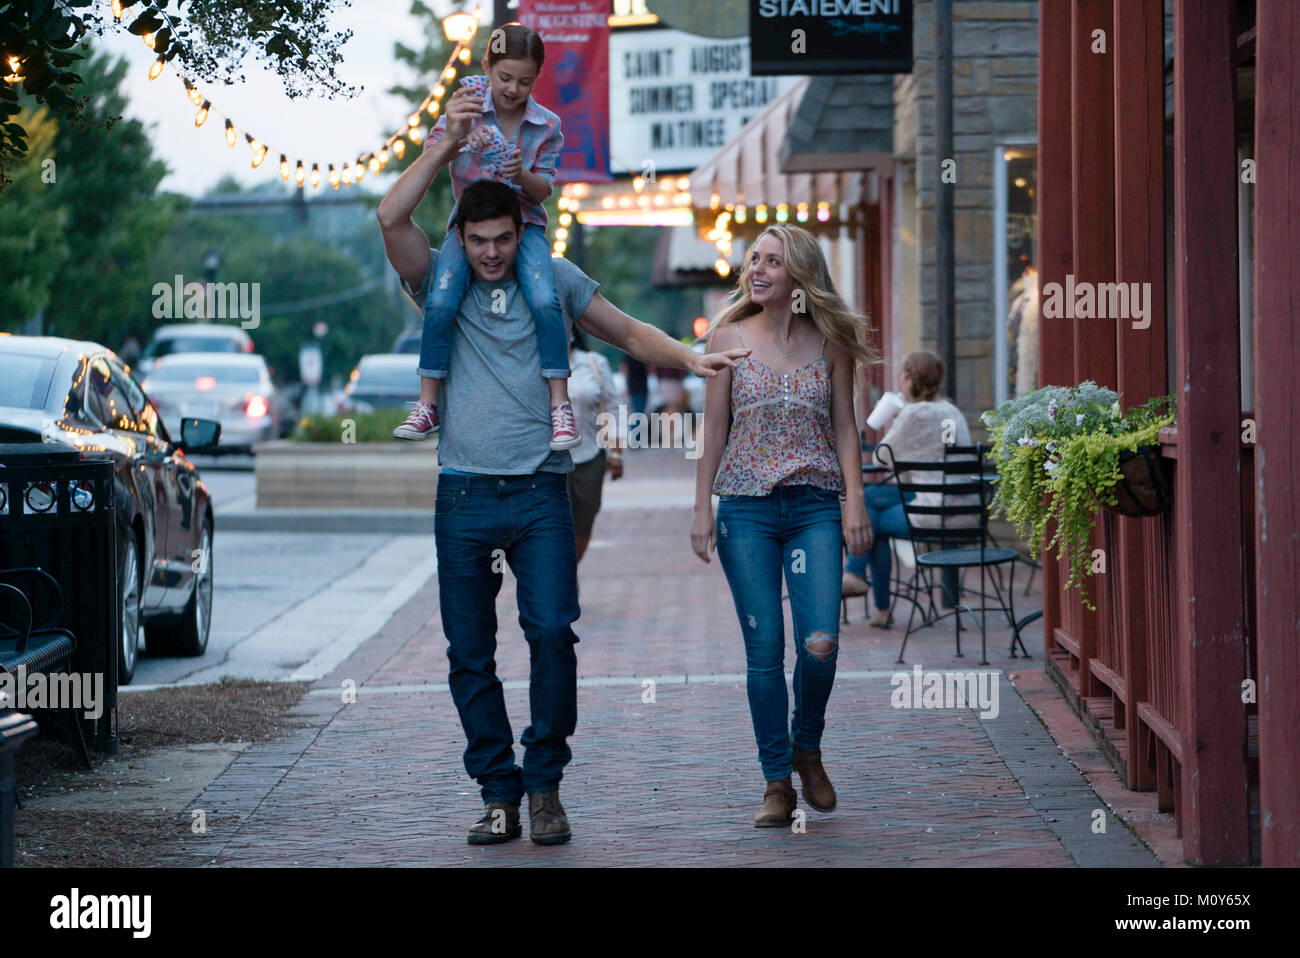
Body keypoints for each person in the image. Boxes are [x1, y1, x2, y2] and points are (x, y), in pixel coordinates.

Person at [379, 148, 749, 845]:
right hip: (462, 495)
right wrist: (440, 147)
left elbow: (628, 331)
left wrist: (689, 357)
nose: (491, 254)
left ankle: (544, 783)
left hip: (540, 491)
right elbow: (391, 215)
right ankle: (497, 792)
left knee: (552, 631)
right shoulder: (438, 281)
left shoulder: (554, 277)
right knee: (469, 652)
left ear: (524, 232)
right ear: (460, 237)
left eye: (503, 239)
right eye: (478, 240)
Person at [691, 224, 875, 828]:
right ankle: (777, 782)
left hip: (815, 504)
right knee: (764, 649)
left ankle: (808, 746)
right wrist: (701, 509)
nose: (758, 269)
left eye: (773, 261)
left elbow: (846, 428)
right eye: (754, 260)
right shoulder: (727, 338)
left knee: (820, 642)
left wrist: (855, 502)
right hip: (745, 510)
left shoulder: (829, 342)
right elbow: (714, 430)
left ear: (800, 276)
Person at [393, 23, 579, 451]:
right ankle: (427, 403)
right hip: (469, 224)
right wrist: (459, 137)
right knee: (440, 298)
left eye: (526, 81)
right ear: (487, 68)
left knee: (542, 297)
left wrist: (521, 174)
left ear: (537, 78)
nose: (513, 88)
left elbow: (545, 189)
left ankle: (559, 405)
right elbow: (434, 153)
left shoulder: (546, 125)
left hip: (524, 224)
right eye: (505, 77)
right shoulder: (467, 106)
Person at [841, 351, 973, 627]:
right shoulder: (951, 410)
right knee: (872, 500)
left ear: (908, 379)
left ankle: (860, 582)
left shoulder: (914, 412)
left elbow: (881, 458)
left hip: (937, 512)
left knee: (870, 517)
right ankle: (873, 601)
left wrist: (897, 418)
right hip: (966, 509)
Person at [566, 326, 622, 562]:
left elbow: (611, 408)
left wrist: (616, 454)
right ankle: (561, 581)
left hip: (590, 458)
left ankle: (570, 573)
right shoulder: (532, 362)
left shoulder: (594, 363)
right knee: (554, 527)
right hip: (548, 461)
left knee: (583, 524)